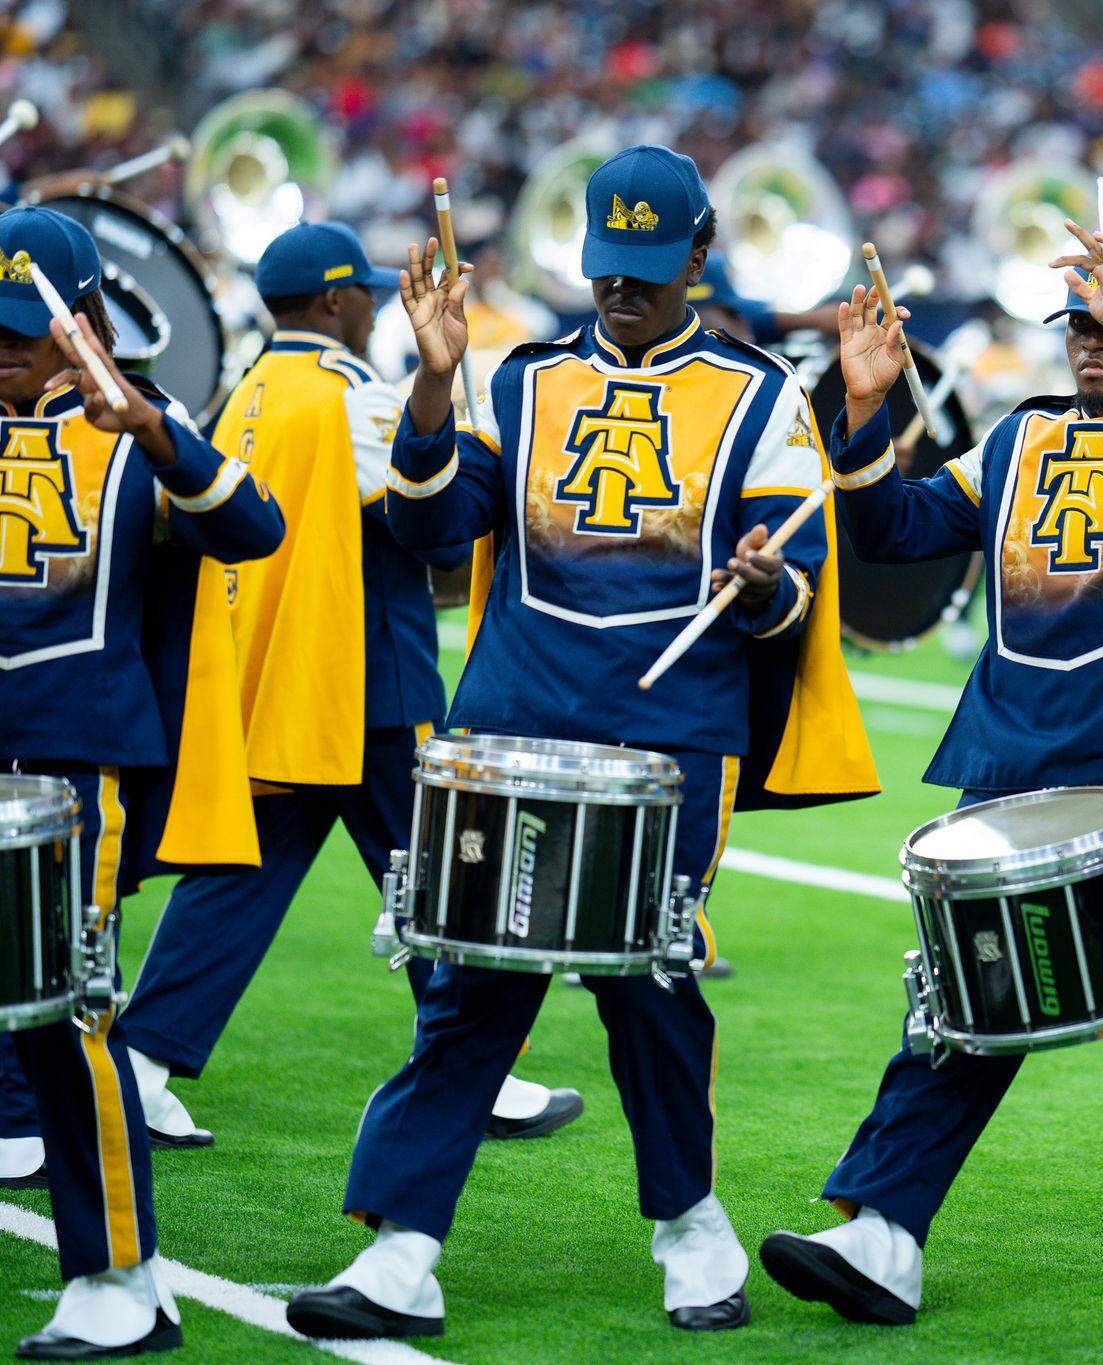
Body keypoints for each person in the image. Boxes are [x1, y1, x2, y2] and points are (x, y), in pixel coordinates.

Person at [284, 144, 874, 1340]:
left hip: (670, 743)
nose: (621, 291)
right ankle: (403, 1249)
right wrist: (437, 387)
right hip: (511, 723)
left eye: (648, 273)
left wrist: (763, 584)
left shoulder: (762, 398)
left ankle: (688, 1220)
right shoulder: (523, 376)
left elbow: (797, 597)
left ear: (699, 259)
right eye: (608, 269)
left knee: (649, 987)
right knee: (465, 988)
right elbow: (425, 524)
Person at [758, 228, 1103, 1325]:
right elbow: (901, 529)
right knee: (987, 994)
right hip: (1015, 761)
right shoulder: (1017, 435)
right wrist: (862, 412)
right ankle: (889, 1229)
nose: (1088, 349)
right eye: (1079, 330)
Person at [114, 221, 582, 1146]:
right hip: (369, 675)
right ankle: (474, 1069)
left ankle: (144, 1057)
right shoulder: (353, 395)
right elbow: (426, 522)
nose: (374, 304)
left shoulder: (252, 384)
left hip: (280, 670)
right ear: (334, 303)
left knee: (246, 873)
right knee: (444, 872)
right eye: (362, 291)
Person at [0, 204, 284, 1357]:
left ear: (84, 326)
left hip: (72, 769)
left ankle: (119, 1277)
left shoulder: (141, 427)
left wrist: (160, 433)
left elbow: (253, 529)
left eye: (24, 330)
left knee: (70, 1017)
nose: (5, 351)